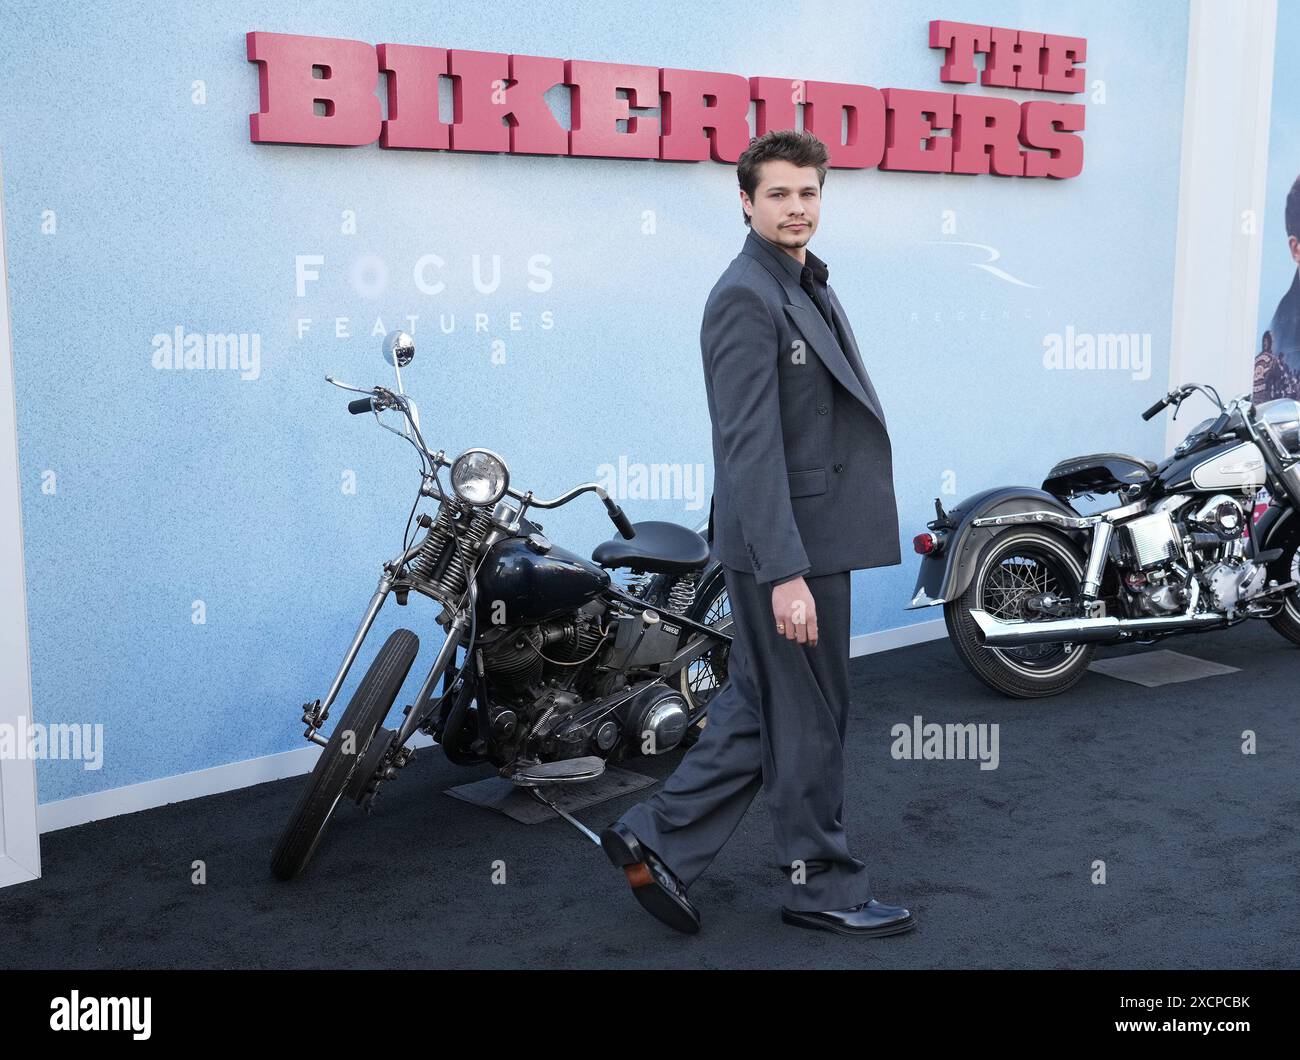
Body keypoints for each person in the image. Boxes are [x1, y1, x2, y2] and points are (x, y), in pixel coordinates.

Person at [601, 129, 916, 938]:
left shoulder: (803, 280)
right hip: (789, 550)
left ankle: (655, 836)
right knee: (809, 720)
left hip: (811, 541)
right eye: (778, 193)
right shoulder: (746, 293)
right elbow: (747, 445)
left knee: (762, 704)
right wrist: (785, 573)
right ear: (746, 201)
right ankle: (824, 890)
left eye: (808, 193)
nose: (796, 207)